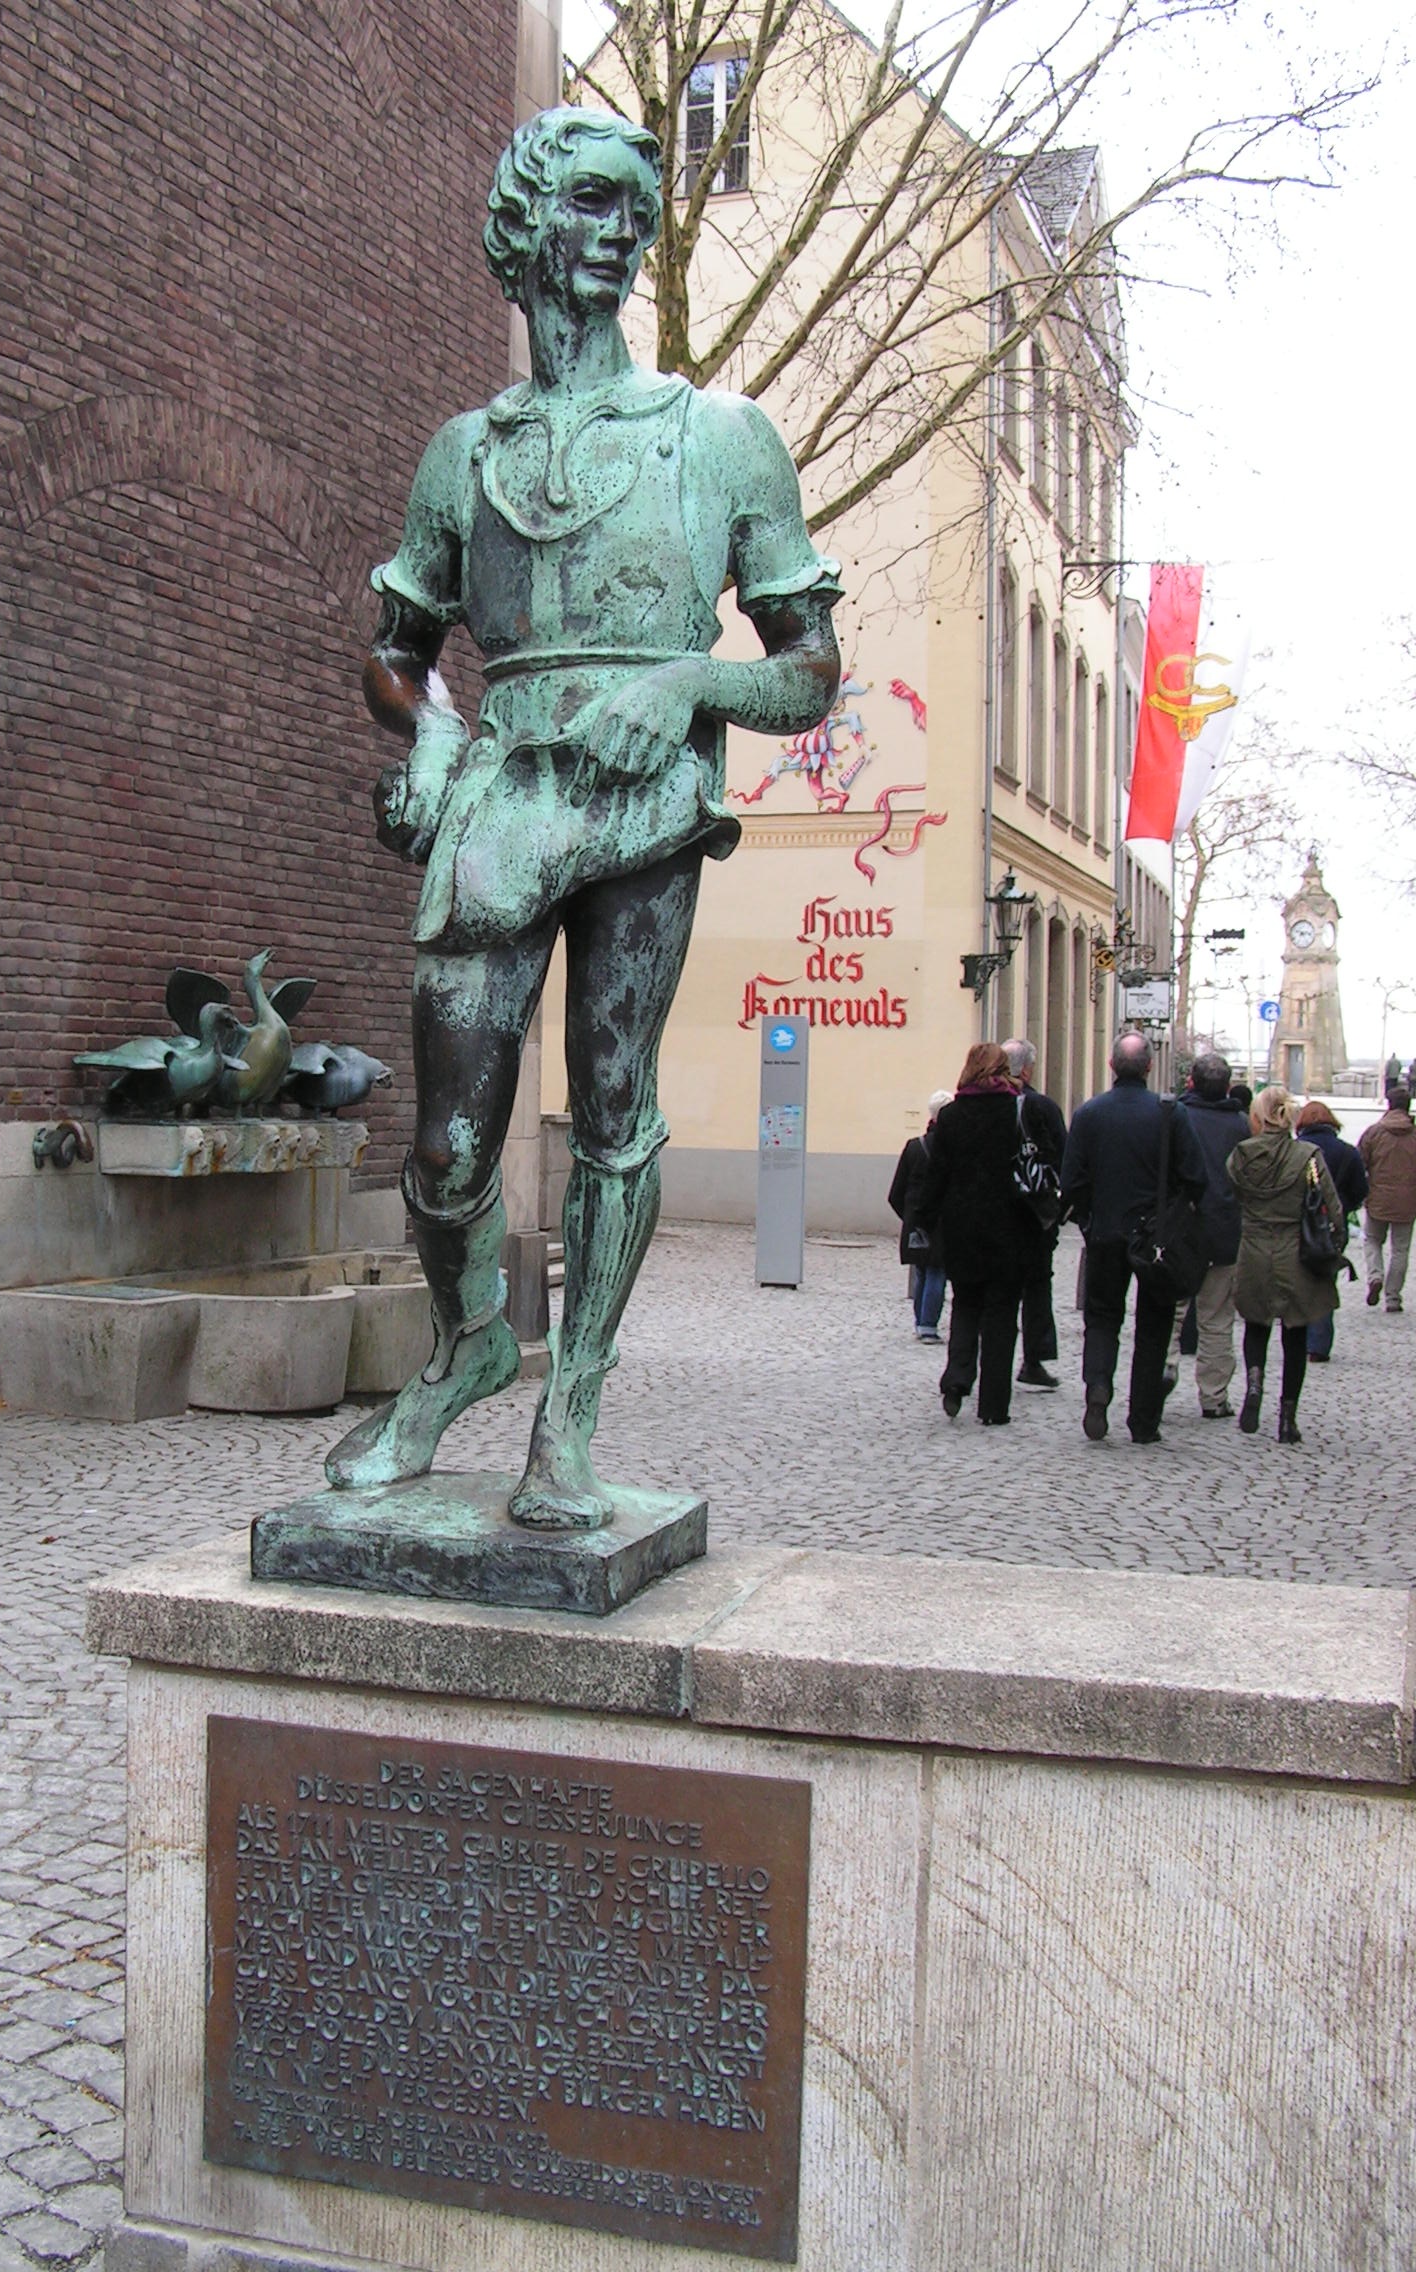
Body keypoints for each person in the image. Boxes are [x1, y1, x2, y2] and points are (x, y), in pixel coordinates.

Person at [325, 108, 842, 1528]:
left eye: (638, 207)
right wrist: (433, 726)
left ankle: (571, 1420)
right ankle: (470, 1343)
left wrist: (686, 680)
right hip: (502, 798)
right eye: (594, 202)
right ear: (527, 227)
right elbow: (396, 643)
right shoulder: (462, 454)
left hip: (642, 808)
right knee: (446, 1148)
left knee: (615, 1111)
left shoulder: (720, 439)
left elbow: (808, 673)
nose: (622, 229)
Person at [1059, 1029, 1208, 1444]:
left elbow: (1072, 1181)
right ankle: (1143, 1419)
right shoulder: (1169, 1113)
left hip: (1105, 1232)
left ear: (1111, 1066)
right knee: (1154, 1325)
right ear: (1148, 1066)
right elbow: (1196, 1177)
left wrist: (1088, 1218)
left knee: (1102, 1318)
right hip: (1156, 1237)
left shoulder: (1089, 1114)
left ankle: (1098, 1386)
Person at [914, 1044, 1039, 1426]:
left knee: (966, 1306)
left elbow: (937, 1175)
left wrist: (923, 1218)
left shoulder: (951, 1116)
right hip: (1009, 1227)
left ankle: (956, 1379)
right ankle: (994, 1405)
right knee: (1001, 1315)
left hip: (963, 1227)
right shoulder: (1016, 1111)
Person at [1228, 1085, 1343, 1443]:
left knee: (1256, 1325)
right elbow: (1332, 1206)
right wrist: (1335, 1243)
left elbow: (1232, 1193)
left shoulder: (1242, 1156)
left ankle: (1254, 1385)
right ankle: (1287, 1418)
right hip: (1296, 1251)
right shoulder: (1308, 1156)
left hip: (1254, 1249)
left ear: (1259, 1116)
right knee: (1295, 1333)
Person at [1166, 1052, 1249, 1417]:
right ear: (1227, 1087)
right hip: (1224, 1231)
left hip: (1181, 1229)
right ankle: (1214, 1396)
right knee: (1217, 1319)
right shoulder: (1242, 1126)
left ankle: (1164, 1370)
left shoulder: (1174, 1118)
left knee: (1171, 1310)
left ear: (1190, 1083)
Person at [1001, 1037, 1067, 1389]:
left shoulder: (989, 1104)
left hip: (999, 1208)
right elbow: (1062, 1155)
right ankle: (1034, 1357)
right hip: (1037, 1211)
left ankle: (995, 1357)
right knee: (1038, 1285)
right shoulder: (1043, 1107)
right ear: (1027, 1069)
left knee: (1000, 1288)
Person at [1296, 1100, 1368, 1360]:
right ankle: (1318, 1345)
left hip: (1300, 1224)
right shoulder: (1347, 1152)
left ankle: (1298, 1338)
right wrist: (1343, 1205)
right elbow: (1361, 1190)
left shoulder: (1296, 1150)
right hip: (1332, 1226)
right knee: (1325, 1280)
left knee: (1299, 1278)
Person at [888, 1090, 953, 1341]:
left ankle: (920, 1322)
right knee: (937, 1271)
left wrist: (909, 1216)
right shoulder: (951, 1149)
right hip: (942, 1219)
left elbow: (896, 1192)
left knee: (922, 1271)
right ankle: (928, 1325)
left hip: (916, 1218)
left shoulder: (914, 1147)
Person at [1358, 1086, 1416, 1315]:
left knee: (1372, 1240)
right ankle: (1393, 1298)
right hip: (1408, 1201)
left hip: (1378, 1199)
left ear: (1389, 1104)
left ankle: (1375, 1276)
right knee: (1400, 1249)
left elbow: (1359, 1163)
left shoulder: (1374, 1132)